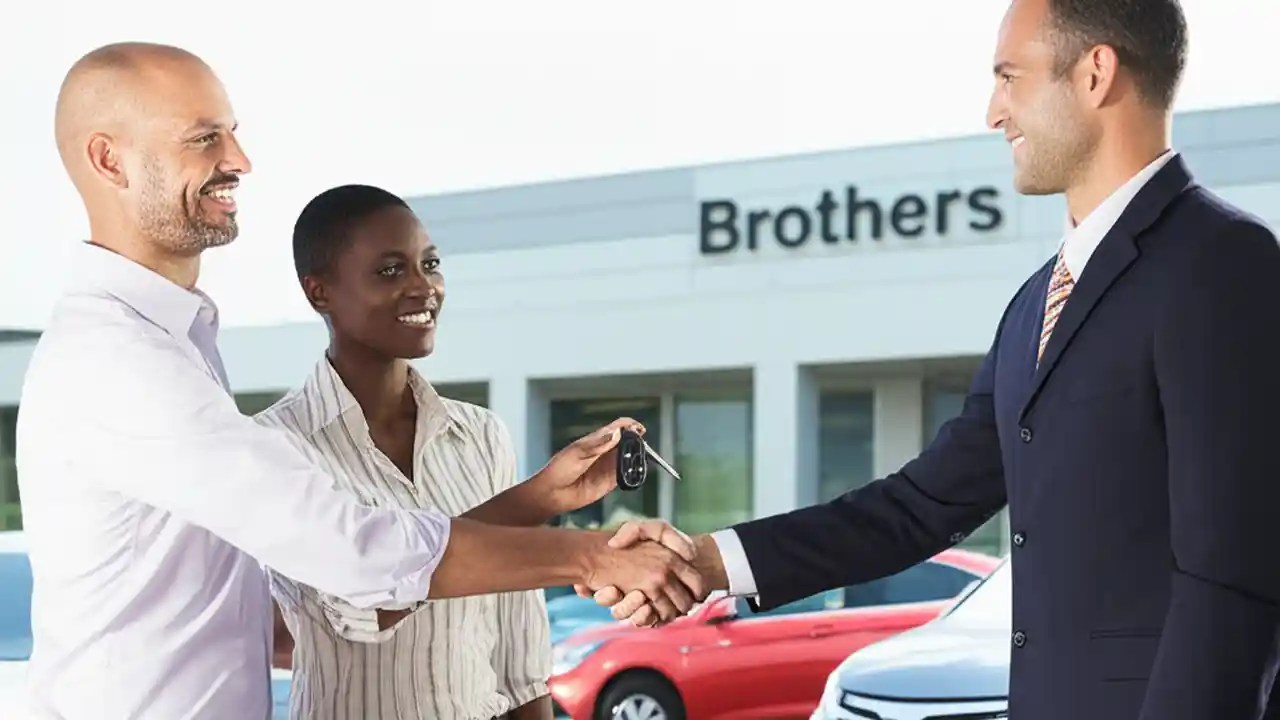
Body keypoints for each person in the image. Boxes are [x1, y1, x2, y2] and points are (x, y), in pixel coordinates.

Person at [594, 0, 1280, 718]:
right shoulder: (1036, 303)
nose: (994, 111)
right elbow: (918, 506)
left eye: (1011, 77)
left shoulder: (1219, 263)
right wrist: (708, 562)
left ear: (1095, 73)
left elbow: (1232, 575)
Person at [17, 42, 702, 720]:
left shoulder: (172, 344)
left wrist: (535, 500)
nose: (239, 161)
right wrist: (591, 558)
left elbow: (324, 600)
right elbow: (349, 554)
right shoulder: (119, 364)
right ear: (110, 160)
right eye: (204, 138)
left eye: (232, 133)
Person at [257, 184, 564, 719]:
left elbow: (521, 653)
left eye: (431, 263)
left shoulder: (482, 437)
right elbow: (357, 607)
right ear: (319, 292)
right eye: (390, 271)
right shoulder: (274, 446)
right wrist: (535, 501)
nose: (425, 287)